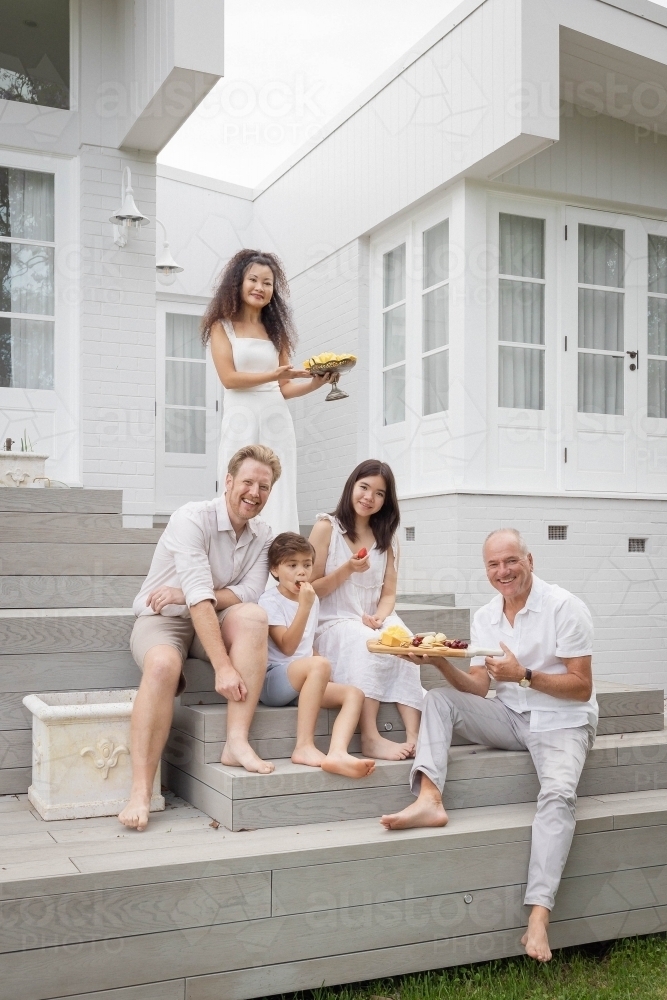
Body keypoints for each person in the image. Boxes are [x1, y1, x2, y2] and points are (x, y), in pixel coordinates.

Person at [381, 528, 598, 965]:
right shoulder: (486, 617)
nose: (503, 572)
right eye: (494, 565)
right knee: (439, 700)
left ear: (529, 560)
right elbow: (478, 687)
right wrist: (439, 660)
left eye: (511, 561)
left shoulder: (565, 607)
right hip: (510, 718)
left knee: (557, 795)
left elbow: (581, 687)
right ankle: (429, 799)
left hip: (562, 722)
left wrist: (525, 675)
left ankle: (538, 916)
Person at [119, 444, 281, 833]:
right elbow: (197, 597)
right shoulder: (191, 519)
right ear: (228, 481)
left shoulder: (263, 534)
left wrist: (196, 594)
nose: (254, 493)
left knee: (255, 617)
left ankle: (236, 742)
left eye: (264, 486)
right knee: (162, 665)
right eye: (247, 482)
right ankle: (141, 792)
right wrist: (222, 667)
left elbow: (249, 592)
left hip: (208, 617)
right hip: (164, 618)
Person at [202, 248, 332, 536]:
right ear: (238, 283)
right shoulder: (221, 327)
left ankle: (279, 558)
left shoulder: (276, 331)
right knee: (240, 483)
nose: (259, 287)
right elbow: (229, 379)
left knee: (277, 485)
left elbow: (284, 387)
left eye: (267, 283)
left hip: (276, 418)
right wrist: (274, 375)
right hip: (240, 417)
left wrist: (317, 382)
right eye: (253, 280)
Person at [309, 460, 423, 762]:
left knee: (407, 645)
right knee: (367, 644)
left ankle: (415, 735)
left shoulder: (388, 540)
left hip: (374, 617)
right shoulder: (326, 529)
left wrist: (381, 618)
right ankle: (370, 737)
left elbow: (388, 594)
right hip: (333, 619)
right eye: (364, 487)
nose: (369, 497)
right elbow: (308, 590)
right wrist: (347, 569)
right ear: (352, 486)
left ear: (387, 501)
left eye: (379, 493)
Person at [257, 532, 376, 779]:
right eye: (292, 565)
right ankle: (303, 746)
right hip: (273, 682)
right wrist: (305, 606)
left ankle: (338, 753)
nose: (301, 572)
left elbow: (306, 646)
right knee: (319, 665)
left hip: (302, 681)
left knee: (354, 694)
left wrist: (322, 672)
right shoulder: (270, 601)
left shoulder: (309, 599)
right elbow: (288, 647)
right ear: (275, 570)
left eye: (307, 565)